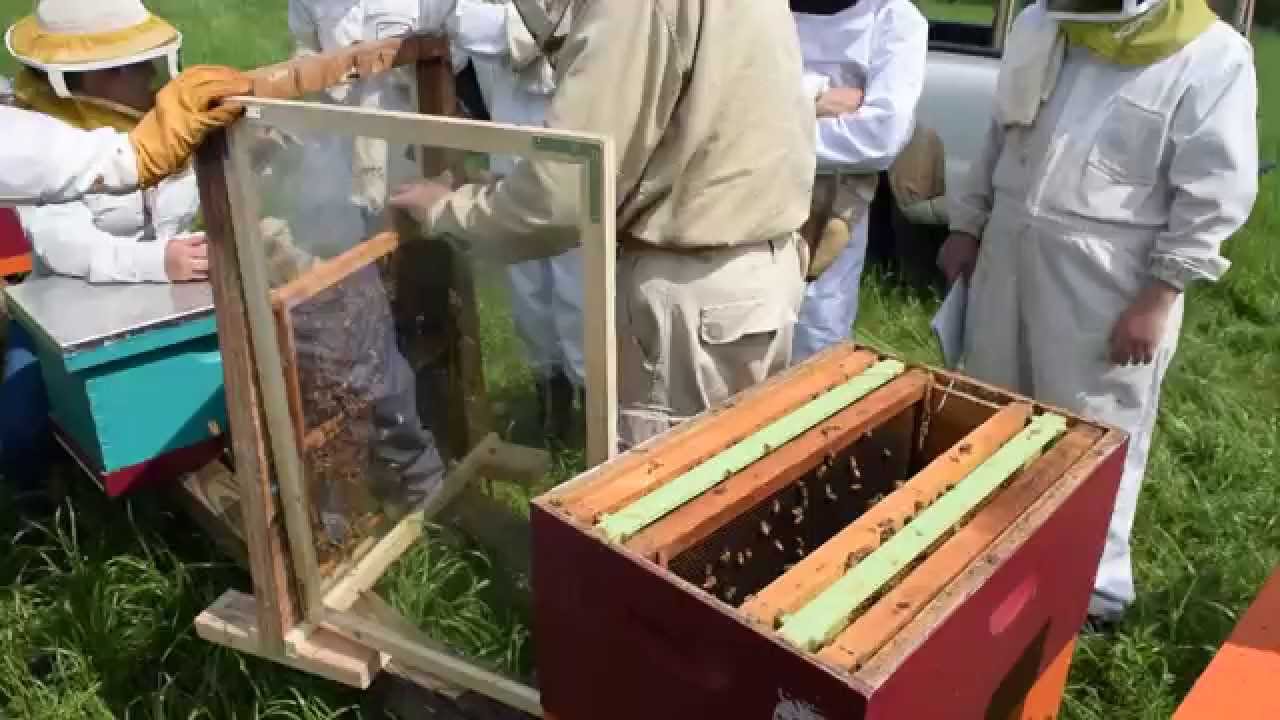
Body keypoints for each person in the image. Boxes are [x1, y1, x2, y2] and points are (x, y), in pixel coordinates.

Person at [937, 0, 1258, 623]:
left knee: (1096, 432)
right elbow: (1001, 132)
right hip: (1008, 247)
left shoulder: (1212, 53)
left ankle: (1092, 594)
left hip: (1111, 276)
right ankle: (988, 559)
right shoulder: (1041, 24)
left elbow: (1215, 188)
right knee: (997, 409)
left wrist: (1161, 292)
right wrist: (968, 224)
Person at [391, 0, 817, 450]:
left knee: (665, 503)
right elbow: (682, 128)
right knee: (736, 485)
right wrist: (504, 189)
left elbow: (568, 190)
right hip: (756, 276)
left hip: (692, 305)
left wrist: (449, 212)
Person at [1, 0, 249, 507]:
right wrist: (158, 262)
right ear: (81, 78)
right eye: (129, 65)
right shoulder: (37, 142)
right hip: (67, 304)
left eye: (146, 58)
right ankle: (43, 513)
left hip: (180, 295)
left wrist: (257, 154)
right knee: (16, 425)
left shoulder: (171, 117)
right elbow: (65, 244)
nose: (150, 74)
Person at [284, 0, 448, 540]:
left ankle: (425, 449)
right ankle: (383, 471)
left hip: (407, 163)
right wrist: (311, 78)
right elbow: (303, 51)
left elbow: (455, 58)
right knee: (363, 322)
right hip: (339, 169)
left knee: (419, 311)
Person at [446, 0, 585, 441]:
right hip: (509, 143)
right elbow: (446, 31)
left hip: (575, 137)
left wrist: (507, 31)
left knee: (580, 285)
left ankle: (595, 411)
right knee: (527, 286)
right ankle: (552, 403)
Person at [790, 0, 928, 363]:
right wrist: (817, 99)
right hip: (745, 203)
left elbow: (880, 136)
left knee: (813, 345)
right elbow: (730, 98)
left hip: (831, 211)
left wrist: (771, 129)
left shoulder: (894, 17)